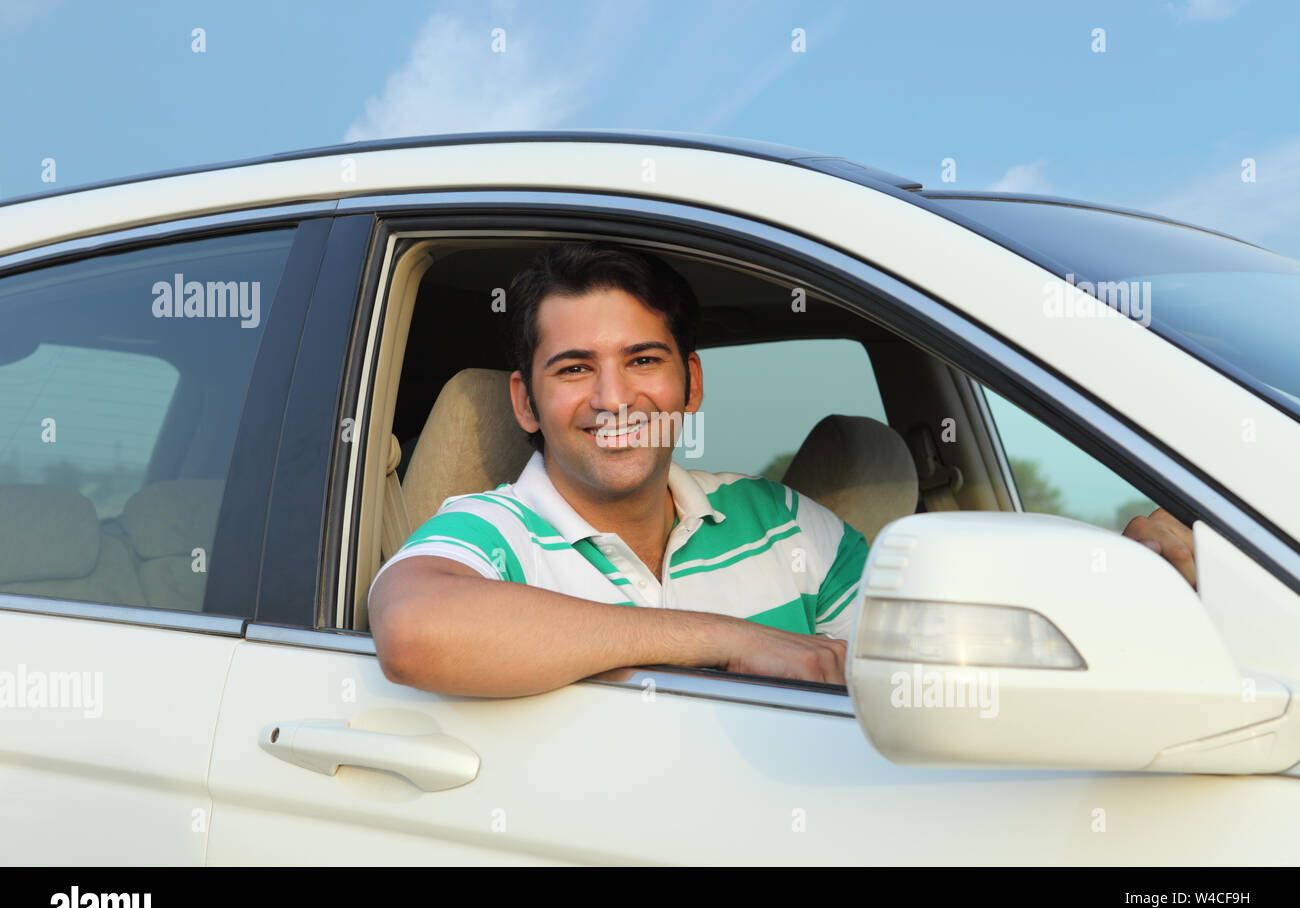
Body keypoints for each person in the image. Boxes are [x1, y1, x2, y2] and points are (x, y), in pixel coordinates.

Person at [368, 241, 1197, 698]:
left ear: (690, 384)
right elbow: (414, 631)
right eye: (575, 368)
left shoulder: (784, 520)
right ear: (526, 402)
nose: (614, 397)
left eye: (644, 360)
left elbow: (940, 644)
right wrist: (735, 645)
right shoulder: (492, 529)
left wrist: (1122, 576)